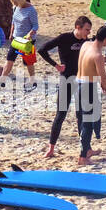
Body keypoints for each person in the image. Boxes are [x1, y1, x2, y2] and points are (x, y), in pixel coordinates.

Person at [38, 15, 93, 157]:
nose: (88, 33)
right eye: (87, 30)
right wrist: (56, 65)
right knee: (60, 114)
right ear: (78, 27)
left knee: (81, 114)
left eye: (89, 30)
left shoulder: (87, 41)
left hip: (81, 81)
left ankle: (86, 148)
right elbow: (42, 50)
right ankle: (51, 149)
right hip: (66, 80)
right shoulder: (64, 38)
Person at [76, 27, 106, 164]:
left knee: (81, 119)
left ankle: (87, 149)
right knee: (88, 123)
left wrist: (99, 82)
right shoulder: (98, 56)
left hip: (78, 84)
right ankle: (83, 157)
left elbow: (86, 67)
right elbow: (104, 78)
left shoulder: (86, 44)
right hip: (88, 88)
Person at [0, 0, 38, 86]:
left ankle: (32, 80)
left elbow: (35, 26)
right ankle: (2, 79)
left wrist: (29, 34)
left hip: (27, 41)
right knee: (10, 58)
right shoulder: (16, 7)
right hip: (16, 39)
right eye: (13, 2)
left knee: (28, 61)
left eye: (15, 2)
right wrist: (11, 33)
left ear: (21, 0)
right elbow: (13, 21)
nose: (14, 4)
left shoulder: (31, 10)